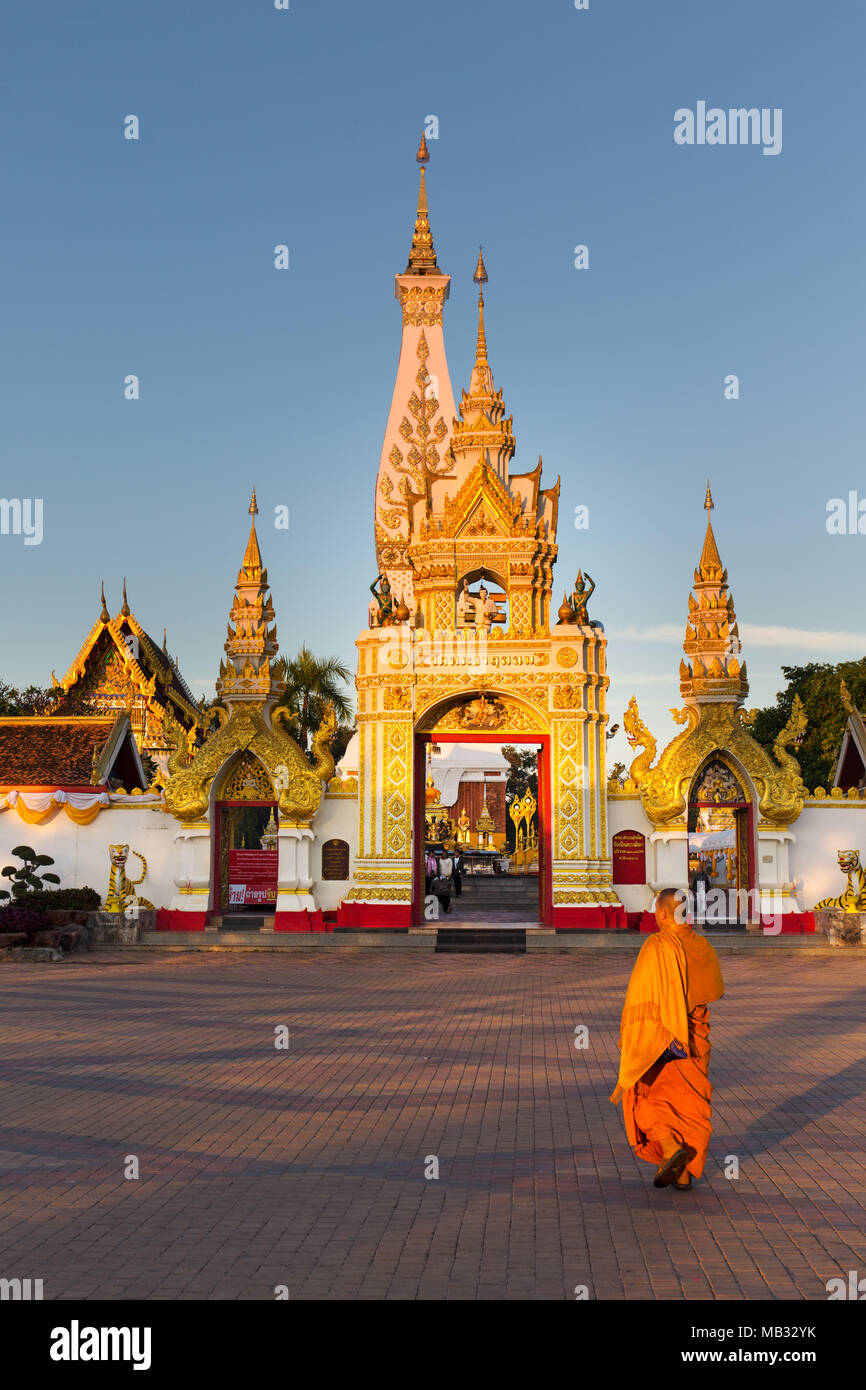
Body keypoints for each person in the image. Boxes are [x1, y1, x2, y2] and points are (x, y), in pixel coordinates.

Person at [610, 887, 724, 1191]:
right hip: (694, 1041)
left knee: (647, 1100)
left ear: (662, 913)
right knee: (687, 1105)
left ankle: (672, 1149)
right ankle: (682, 1172)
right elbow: (713, 990)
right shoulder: (702, 946)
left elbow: (640, 999)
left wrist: (631, 1038)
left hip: (663, 1042)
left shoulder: (657, 945)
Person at [433, 850, 454, 915]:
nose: (444, 855)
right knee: (440, 893)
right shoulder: (440, 860)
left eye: (445, 854)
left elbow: (450, 867)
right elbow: (439, 868)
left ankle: (447, 907)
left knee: (446, 892)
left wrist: (449, 875)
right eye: (443, 854)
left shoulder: (449, 860)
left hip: (447, 876)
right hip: (441, 877)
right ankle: (447, 906)